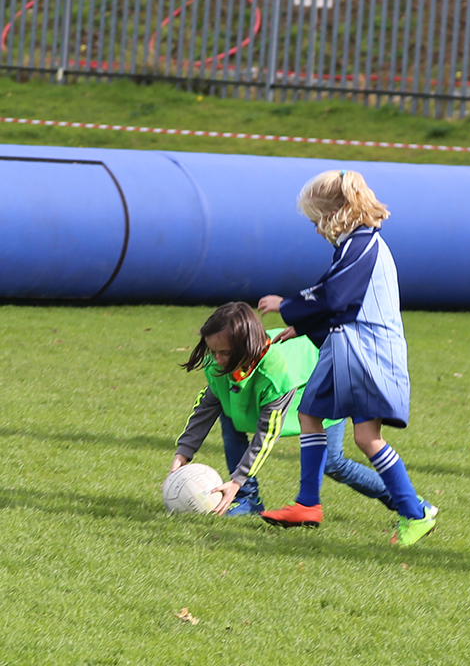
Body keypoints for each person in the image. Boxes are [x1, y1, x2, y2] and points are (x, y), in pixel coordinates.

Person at [257, 169, 437, 547]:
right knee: (310, 413)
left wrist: (286, 306)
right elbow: (338, 298)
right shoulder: (355, 245)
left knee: (367, 438)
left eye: (316, 219)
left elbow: (334, 297)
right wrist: (303, 327)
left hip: (365, 349)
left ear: (335, 213)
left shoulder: (362, 246)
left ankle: (415, 513)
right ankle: (307, 503)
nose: (316, 227)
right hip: (347, 345)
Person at [170, 302, 403, 518]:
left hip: (325, 383)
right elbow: (209, 404)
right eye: (213, 351)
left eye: (225, 353)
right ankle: (248, 499)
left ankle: (406, 501)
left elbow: (267, 433)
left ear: (246, 345)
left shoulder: (276, 374)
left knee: (332, 463)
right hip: (269, 391)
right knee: (229, 413)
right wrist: (183, 453)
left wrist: (237, 479)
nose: (217, 359)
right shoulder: (218, 362)